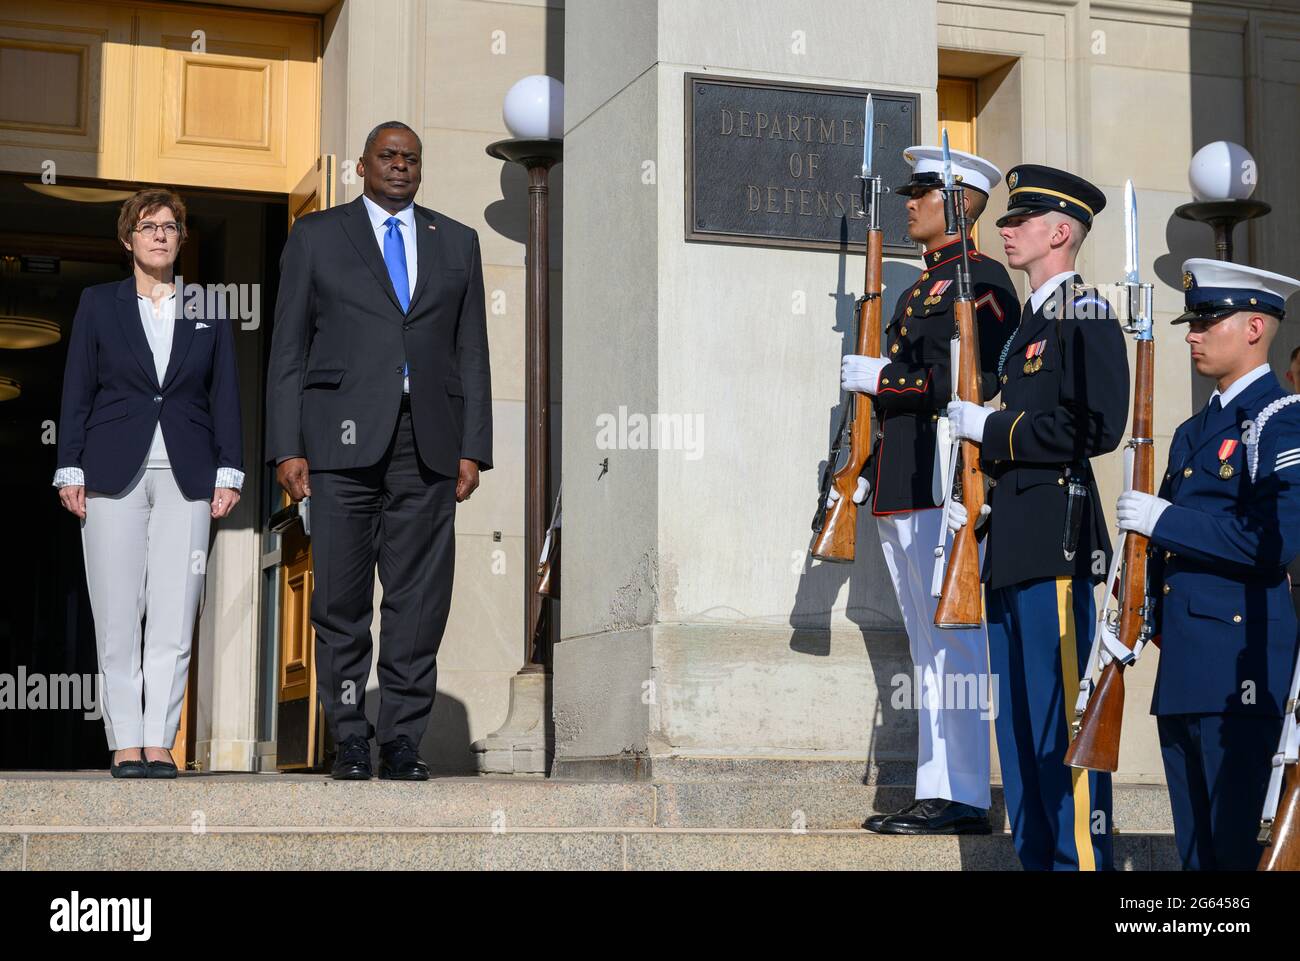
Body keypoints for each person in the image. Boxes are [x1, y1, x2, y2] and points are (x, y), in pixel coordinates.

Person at [265, 120, 492, 781]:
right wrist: (287, 446)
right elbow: (288, 349)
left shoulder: (455, 241)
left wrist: (473, 446)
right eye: (388, 157)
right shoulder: (316, 237)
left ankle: (399, 740)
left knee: (418, 604)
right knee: (339, 601)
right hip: (337, 447)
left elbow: (470, 352)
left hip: (428, 446)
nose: (400, 166)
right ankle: (351, 738)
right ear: (362, 166)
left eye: (411, 159)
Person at [946, 165, 1128, 869]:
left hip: (1056, 546)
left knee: (1061, 726)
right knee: (1019, 734)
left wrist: (991, 432)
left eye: (1019, 221)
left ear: (1059, 232)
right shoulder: (1029, 324)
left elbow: (1097, 424)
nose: (1005, 229)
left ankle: (1081, 862)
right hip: (1011, 546)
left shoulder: (1083, 311)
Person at [833, 145, 1018, 834]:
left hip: (944, 479)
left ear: (959, 201)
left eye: (922, 191)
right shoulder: (914, 290)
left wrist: (885, 380)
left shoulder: (986, 283)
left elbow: (972, 382)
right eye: (908, 191)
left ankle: (964, 793)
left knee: (956, 642)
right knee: (925, 645)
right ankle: (937, 786)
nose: (909, 201)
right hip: (900, 481)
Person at [53, 188, 244, 779]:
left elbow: (226, 395)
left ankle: (160, 740)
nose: (160, 234)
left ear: (182, 239)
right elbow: (78, 385)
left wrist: (228, 469)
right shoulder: (98, 303)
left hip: (188, 473)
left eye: (170, 226)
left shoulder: (208, 307)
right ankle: (125, 740)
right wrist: (70, 465)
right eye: (148, 225)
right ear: (128, 238)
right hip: (112, 472)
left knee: (174, 609)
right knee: (117, 610)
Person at [1116, 259, 1300, 870]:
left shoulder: (1282, 419)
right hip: (1188, 662)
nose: (1192, 333)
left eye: (1208, 320)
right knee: (1196, 851)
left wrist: (1161, 519)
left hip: (1239, 664)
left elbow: (1270, 542)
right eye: (1191, 322)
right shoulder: (1196, 429)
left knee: (1232, 846)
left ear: (1253, 327)